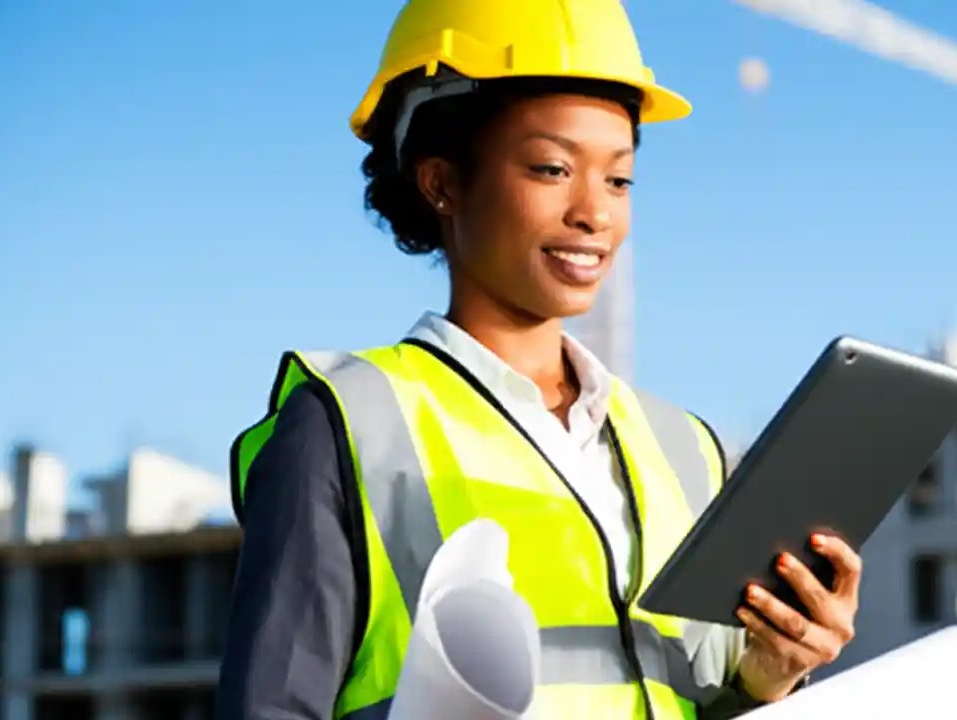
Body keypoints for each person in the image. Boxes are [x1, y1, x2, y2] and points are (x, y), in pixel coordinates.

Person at [216, 1, 862, 718]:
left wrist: (768, 678)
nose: (596, 213)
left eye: (619, 180)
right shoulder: (346, 425)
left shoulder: (686, 450)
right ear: (442, 183)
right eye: (553, 168)